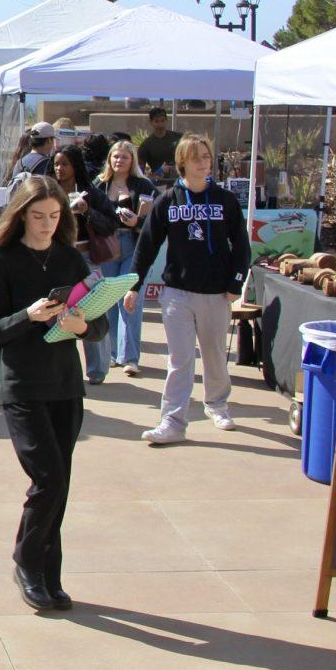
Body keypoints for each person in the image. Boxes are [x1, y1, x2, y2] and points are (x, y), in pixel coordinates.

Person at [0, 176, 107, 612]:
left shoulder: (70, 258)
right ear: (21, 216)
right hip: (21, 385)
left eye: (54, 216)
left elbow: (99, 323)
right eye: (38, 216)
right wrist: (29, 316)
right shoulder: (4, 262)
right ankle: (28, 562)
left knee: (59, 483)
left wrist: (82, 325)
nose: (46, 224)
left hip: (64, 384)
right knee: (48, 478)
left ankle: (50, 575)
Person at [124, 134, 250, 444]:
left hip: (216, 294)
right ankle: (172, 422)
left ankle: (217, 404)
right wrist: (134, 285)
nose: (204, 163)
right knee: (180, 360)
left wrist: (236, 282)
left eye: (206, 156)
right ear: (183, 162)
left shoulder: (225, 200)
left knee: (214, 356)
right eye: (196, 158)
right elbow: (147, 245)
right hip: (177, 294)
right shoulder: (168, 200)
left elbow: (241, 245)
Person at [51, 144, 118, 384]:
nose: (59, 168)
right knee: (54, 310)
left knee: (91, 311)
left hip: (86, 258)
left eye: (65, 164)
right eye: (56, 164)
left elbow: (111, 224)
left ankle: (97, 370)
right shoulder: (48, 191)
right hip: (54, 257)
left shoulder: (91, 194)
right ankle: (55, 369)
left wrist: (88, 211)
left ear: (75, 166)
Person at [95, 140, 155, 376]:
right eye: (115, 156)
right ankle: (112, 353)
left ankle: (130, 358)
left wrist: (137, 221)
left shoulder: (144, 185)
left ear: (133, 161)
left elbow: (158, 218)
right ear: (109, 159)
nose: (119, 161)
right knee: (108, 299)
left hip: (134, 245)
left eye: (124, 157)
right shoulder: (100, 184)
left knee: (130, 300)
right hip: (106, 246)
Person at [135, 106, 182, 177]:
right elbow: (139, 173)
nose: (160, 125)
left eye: (162, 121)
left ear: (166, 120)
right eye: (156, 121)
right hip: (159, 182)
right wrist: (160, 171)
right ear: (151, 122)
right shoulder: (145, 146)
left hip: (181, 179)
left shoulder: (179, 138)